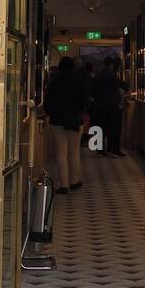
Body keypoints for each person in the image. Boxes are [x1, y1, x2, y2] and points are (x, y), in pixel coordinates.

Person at [43, 55, 87, 192]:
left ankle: (63, 185)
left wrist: (52, 114)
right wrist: (80, 113)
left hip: (57, 121)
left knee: (61, 153)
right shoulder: (78, 82)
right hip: (74, 120)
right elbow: (85, 101)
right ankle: (75, 182)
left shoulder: (53, 83)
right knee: (74, 152)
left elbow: (47, 103)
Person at [92, 56, 127, 157]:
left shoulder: (97, 76)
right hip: (113, 105)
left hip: (99, 105)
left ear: (104, 64)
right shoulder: (113, 75)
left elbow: (92, 90)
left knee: (100, 127)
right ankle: (114, 149)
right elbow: (124, 86)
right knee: (114, 128)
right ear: (112, 65)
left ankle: (99, 150)